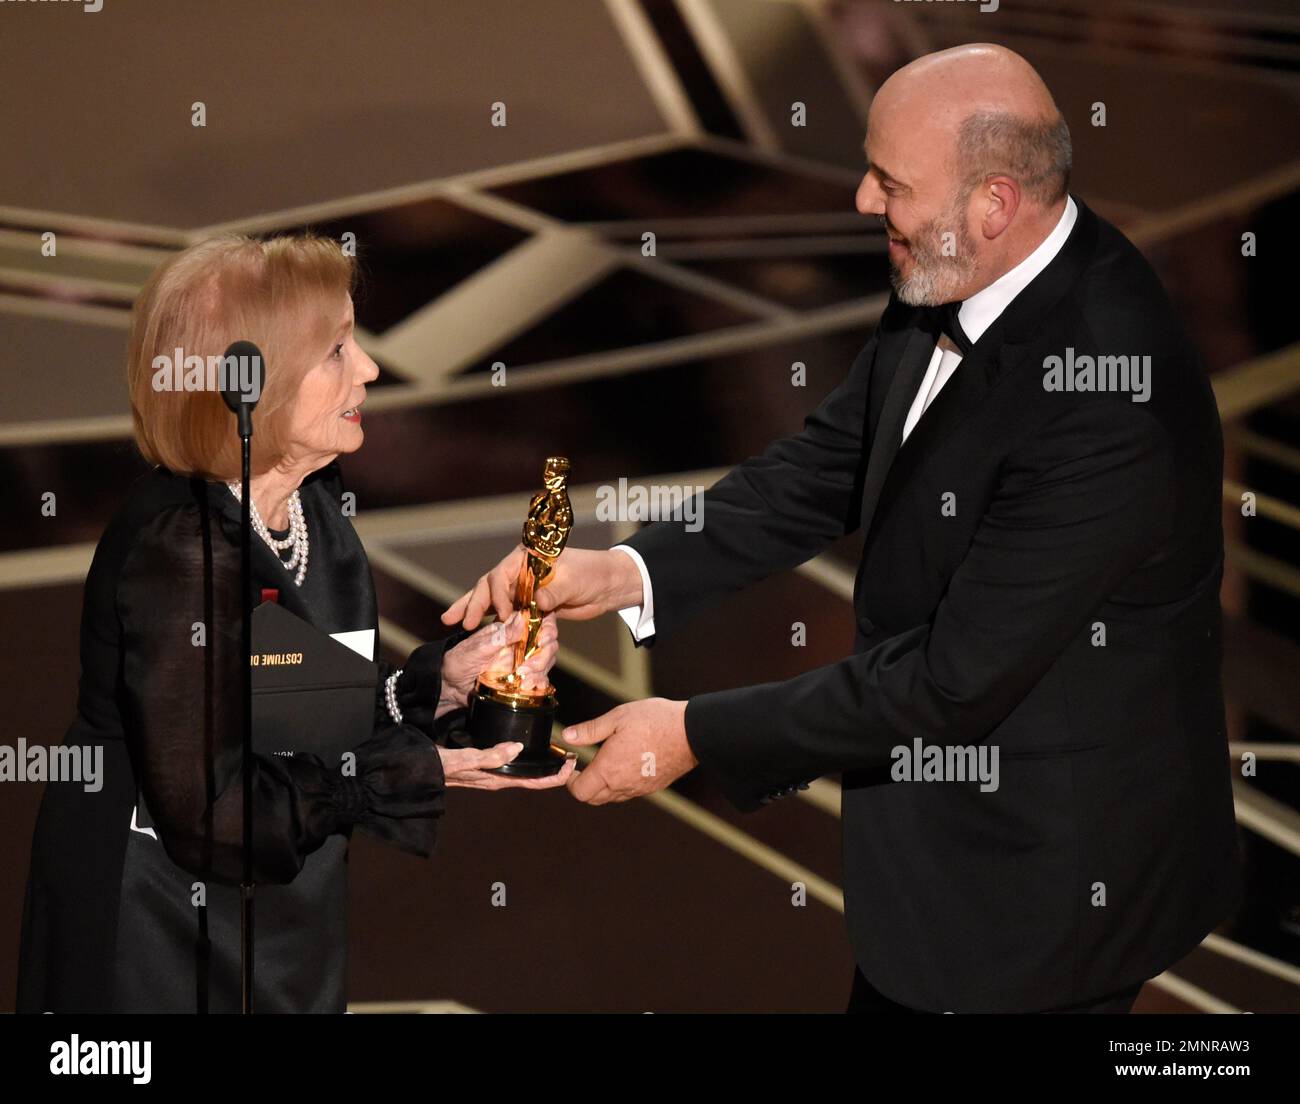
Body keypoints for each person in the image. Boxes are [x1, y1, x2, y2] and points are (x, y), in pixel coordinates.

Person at [445, 44, 1244, 1014]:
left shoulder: (1109, 404)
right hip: (939, 858)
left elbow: (953, 680)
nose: (863, 201)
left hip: (1042, 893)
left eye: (888, 182)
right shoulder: (959, 270)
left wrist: (694, 732)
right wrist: (623, 572)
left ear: (994, 202)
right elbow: (827, 465)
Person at [17, 234, 573, 1014]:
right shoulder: (182, 553)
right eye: (337, 352)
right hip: (162, 929)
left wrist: (443, 684)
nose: (371, 370)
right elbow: (214, 817)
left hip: (278, 901)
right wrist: (417, 772)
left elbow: (310, 710)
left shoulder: (311, 504)